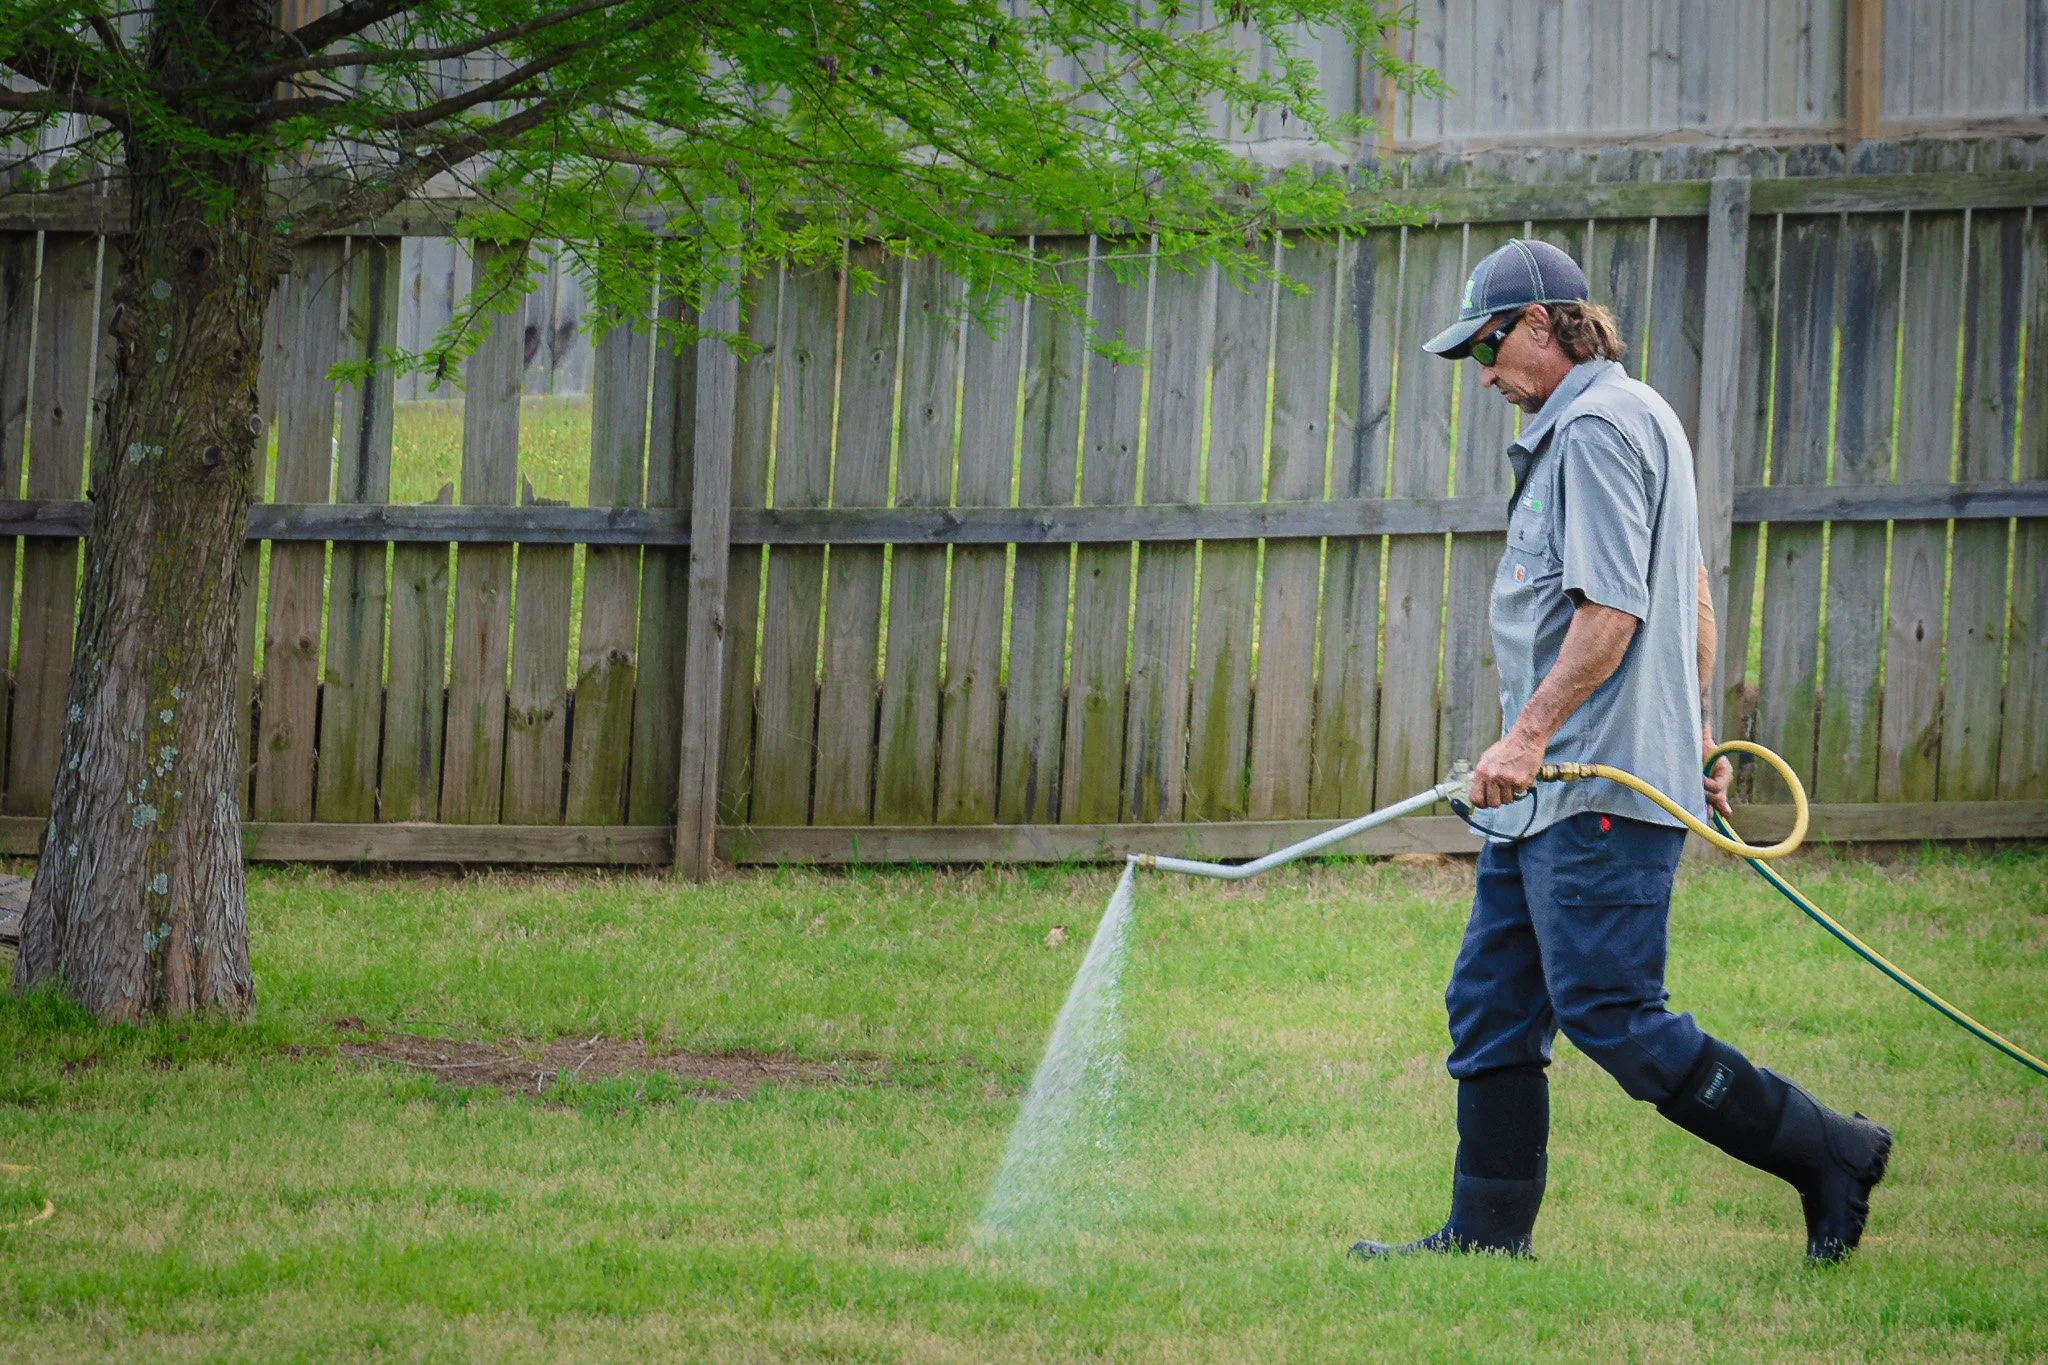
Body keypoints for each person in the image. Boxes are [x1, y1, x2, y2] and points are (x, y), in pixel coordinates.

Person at [1349, 239, 1890, 1264]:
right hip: (1551, 793)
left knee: (1611, 1015)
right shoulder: (1629, 413)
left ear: (1547, 324)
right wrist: (1685, 736)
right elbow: (1685, 588)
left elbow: (1611, 611)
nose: (1481, 372)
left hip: (1585, 785)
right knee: (1491, 1006)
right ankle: (1482, 1240)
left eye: (1488, 344)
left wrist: (1525, 735)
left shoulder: (1595, 429)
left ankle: (1832, 1153)